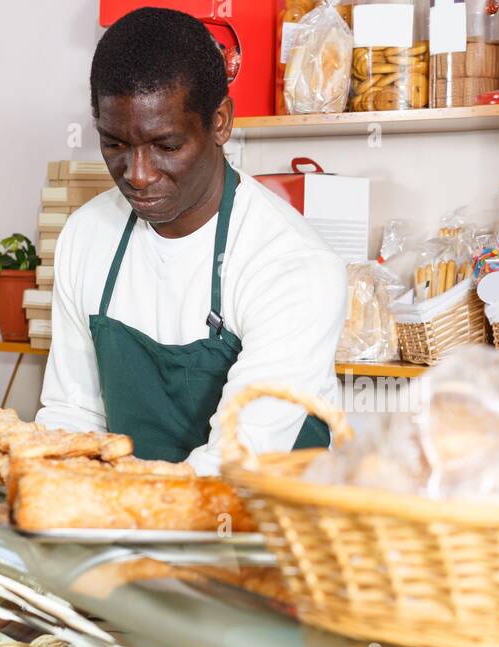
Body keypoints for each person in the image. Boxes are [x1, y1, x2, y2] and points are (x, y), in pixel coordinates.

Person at [37, 7, 345, 473]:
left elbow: (234, 463)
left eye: (166, 146)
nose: (137, 175)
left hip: (267, 534)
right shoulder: (86, 236)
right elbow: (71, 415)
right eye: (115, 144)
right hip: (132, 524)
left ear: (220, 122)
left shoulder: (292, 265)